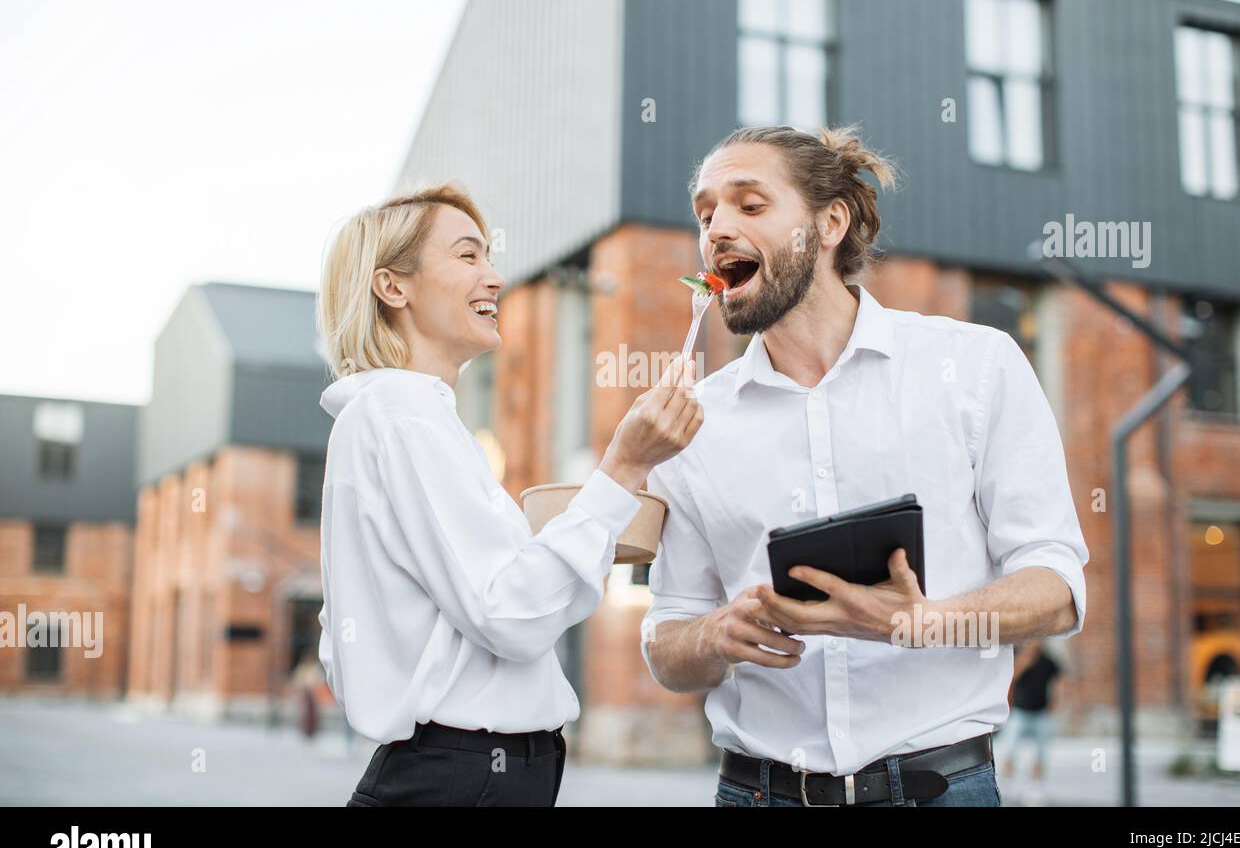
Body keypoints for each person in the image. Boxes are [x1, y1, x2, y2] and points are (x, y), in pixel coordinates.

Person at [640, 125, 1088, 807]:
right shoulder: (691, 424)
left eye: (749, 206)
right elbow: (667, 647)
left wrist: (919, 621)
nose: (717, 230)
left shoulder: (975, 366)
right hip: (758, 793)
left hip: (943, 790)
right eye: (706, 215)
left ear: (830, 222)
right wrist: (714, 634)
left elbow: (1055, 591)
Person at [315, 185, 702, 806]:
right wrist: (623, 467)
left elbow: (344, 641)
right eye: (468, 257)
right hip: (462, 779)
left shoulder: (399, 417)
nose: (494, 277)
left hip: (456, 774)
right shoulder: (403, 415)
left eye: (489, 257)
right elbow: (511, 616)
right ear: (394, 287)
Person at [996, 640, 1063, 805]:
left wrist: (1054, 704)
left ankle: (1036, 786)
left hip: (1041, 713)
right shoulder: (1018, 657)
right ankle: (1006, 783)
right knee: (1010, 748)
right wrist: (1024, 662)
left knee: (1041, 752)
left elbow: (1058, 683)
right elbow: (1010, 679)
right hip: (1020, 712)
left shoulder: (1048, 662)